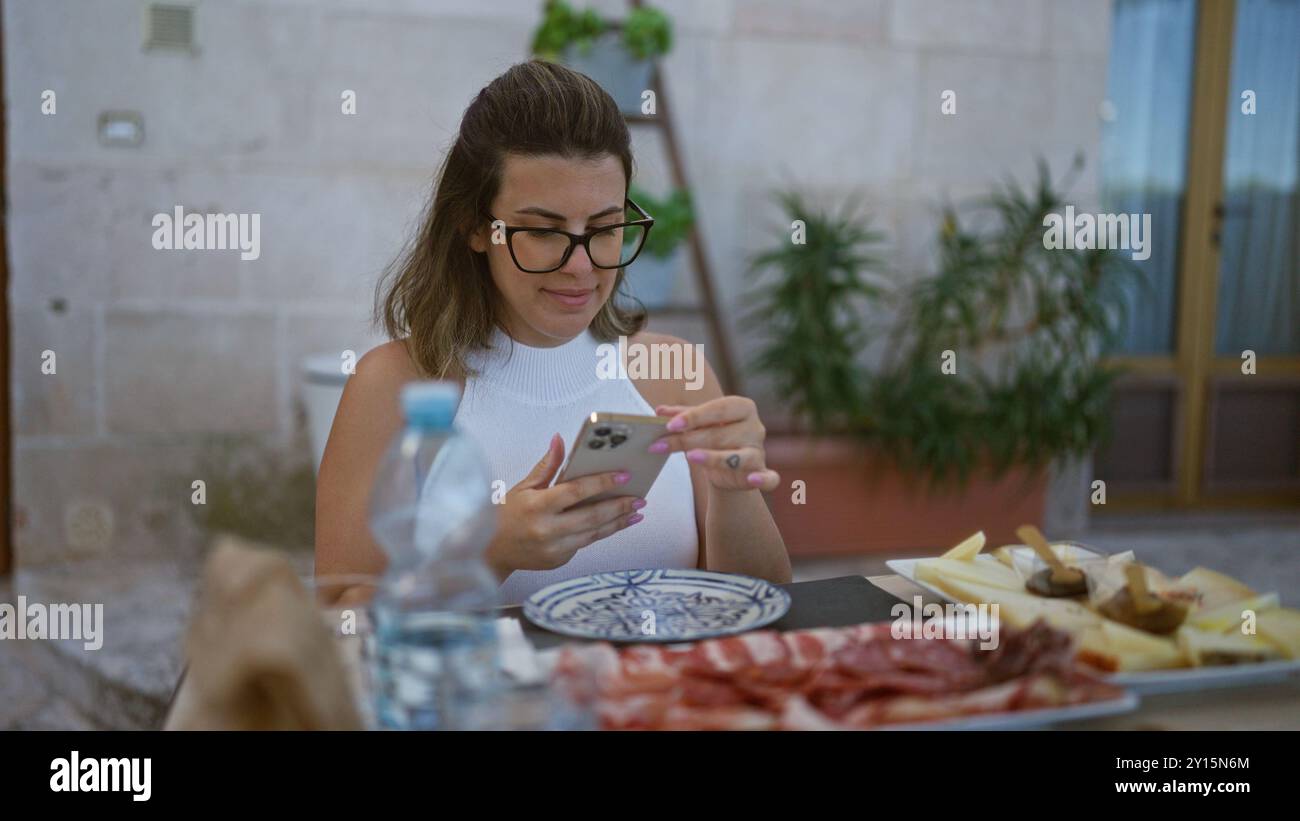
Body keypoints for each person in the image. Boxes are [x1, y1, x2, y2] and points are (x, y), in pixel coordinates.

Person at [315, 60, 789, 603]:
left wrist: (735, 494)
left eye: (606, 228)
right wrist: (488, 552)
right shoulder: (394, 387)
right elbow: (338, 620)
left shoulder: (672, 372)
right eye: (544, 231)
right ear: (474, 226)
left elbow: (762, 603)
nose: (581, 267)